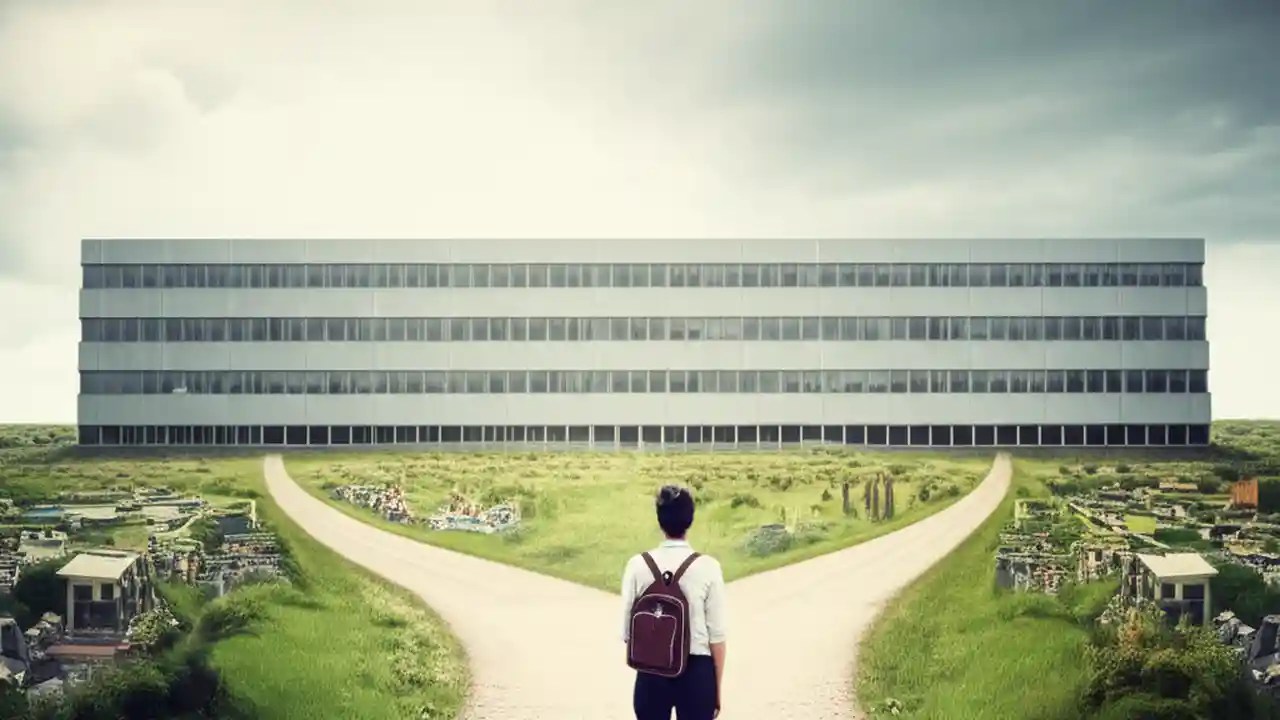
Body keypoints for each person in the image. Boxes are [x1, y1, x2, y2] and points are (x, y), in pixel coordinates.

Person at [621, 485, 727, 719]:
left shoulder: (637, 565)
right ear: (690, 519)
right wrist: (715, 691)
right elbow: (717, 639)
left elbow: (627, 633)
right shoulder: (708, 567)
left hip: (650, 671)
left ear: (660, 520)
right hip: (696, 673)